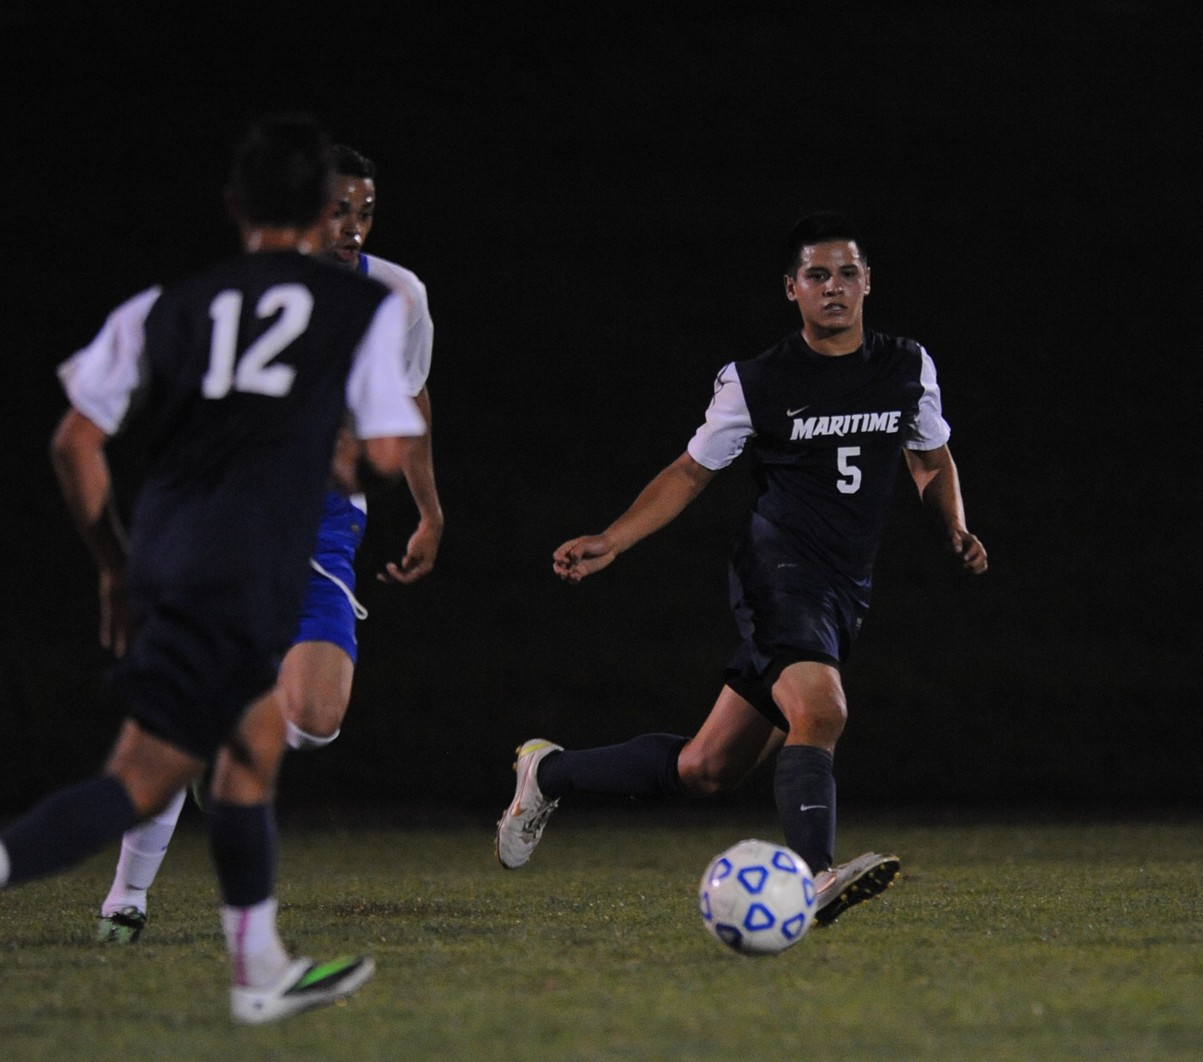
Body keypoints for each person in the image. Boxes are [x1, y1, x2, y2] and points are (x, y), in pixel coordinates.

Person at [0, 114, 425, 1024]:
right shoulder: (361, 310)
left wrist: (113, 565)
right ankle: (241, 965)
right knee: (145, 776)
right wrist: (347, 462)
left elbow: (76, 439)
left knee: (248, 747)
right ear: (320, 213)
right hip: (256, 562)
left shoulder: (170, 303)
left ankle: (256, 968)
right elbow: (387, 450)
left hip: (167, 550)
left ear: (236, 207)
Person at [496, 211, 988, 927]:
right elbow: (690, 472)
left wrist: (953, 523)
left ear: (868, 283)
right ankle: (816, 876)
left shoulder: (907, 364)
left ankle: (548, 772)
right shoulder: (757, 380)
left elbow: (929, 454)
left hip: (844, 588)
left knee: (706, 769)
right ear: (792, 289)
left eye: (847, 273)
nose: (834, 288)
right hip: (778, 571)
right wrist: (614, 538)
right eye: (817, 275)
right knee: (821, 711)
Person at [94, 142, 443, 947]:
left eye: (365, 209)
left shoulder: (399, 294)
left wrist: (428, 508)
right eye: (335, 209)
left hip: (325, 524)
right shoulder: (242, 295)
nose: (352, 226)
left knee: (317, 716)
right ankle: (124, 898)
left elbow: (412, 396)